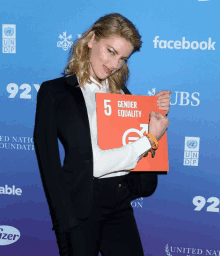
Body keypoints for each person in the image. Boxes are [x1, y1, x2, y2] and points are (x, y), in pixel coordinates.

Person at [33, 13, 171, 256]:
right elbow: (57, 164)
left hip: (119, 202)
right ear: (92, 40)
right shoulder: (55, 92)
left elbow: (138, 150)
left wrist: (153, 114)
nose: (114, 64)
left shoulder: (122, 94)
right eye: (110, 51)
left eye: (122, 58)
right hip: (80, 209)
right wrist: (149, 139)